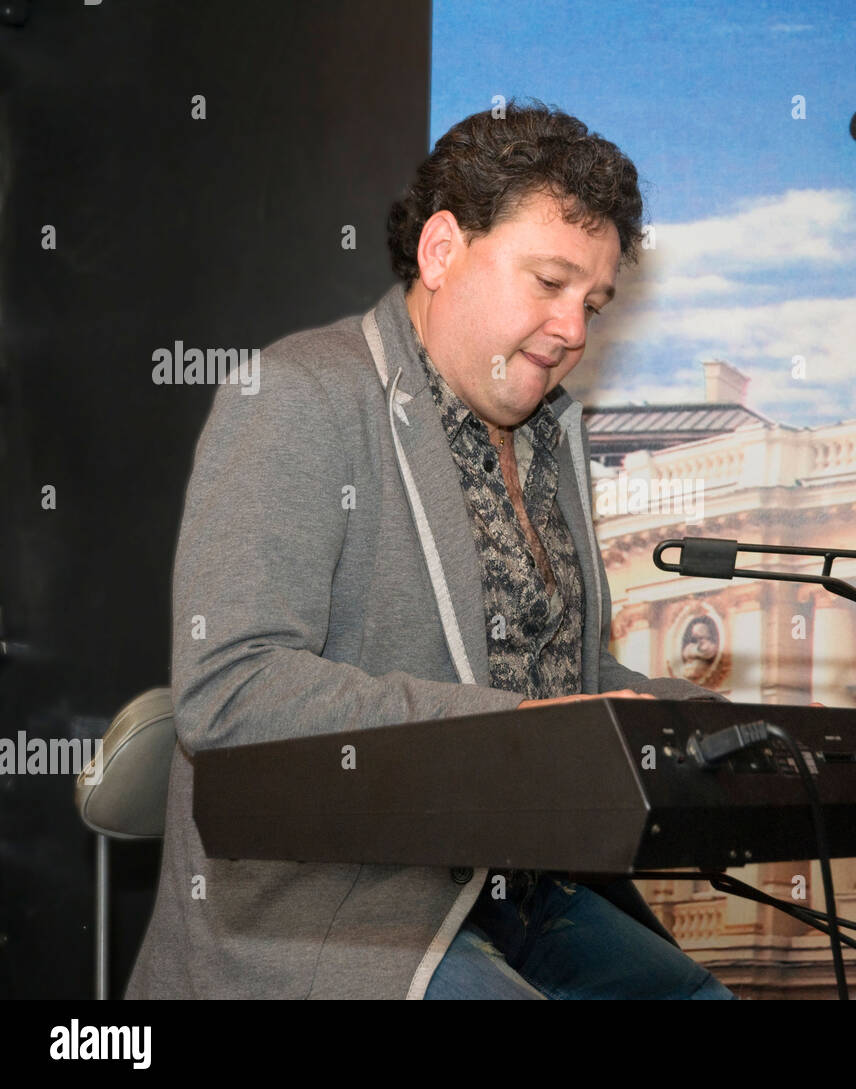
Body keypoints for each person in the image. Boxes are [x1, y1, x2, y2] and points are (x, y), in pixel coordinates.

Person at [126, 102, 733, 1000]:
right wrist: (502, 728)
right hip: (337, 899)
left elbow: (549, 676)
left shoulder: (548, 437)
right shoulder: (298, 395)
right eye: (550, 282)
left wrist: (705, 726)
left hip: (518, 887)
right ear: (442, 250)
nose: (573, 329)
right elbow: (231, 687)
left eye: (593, 303)